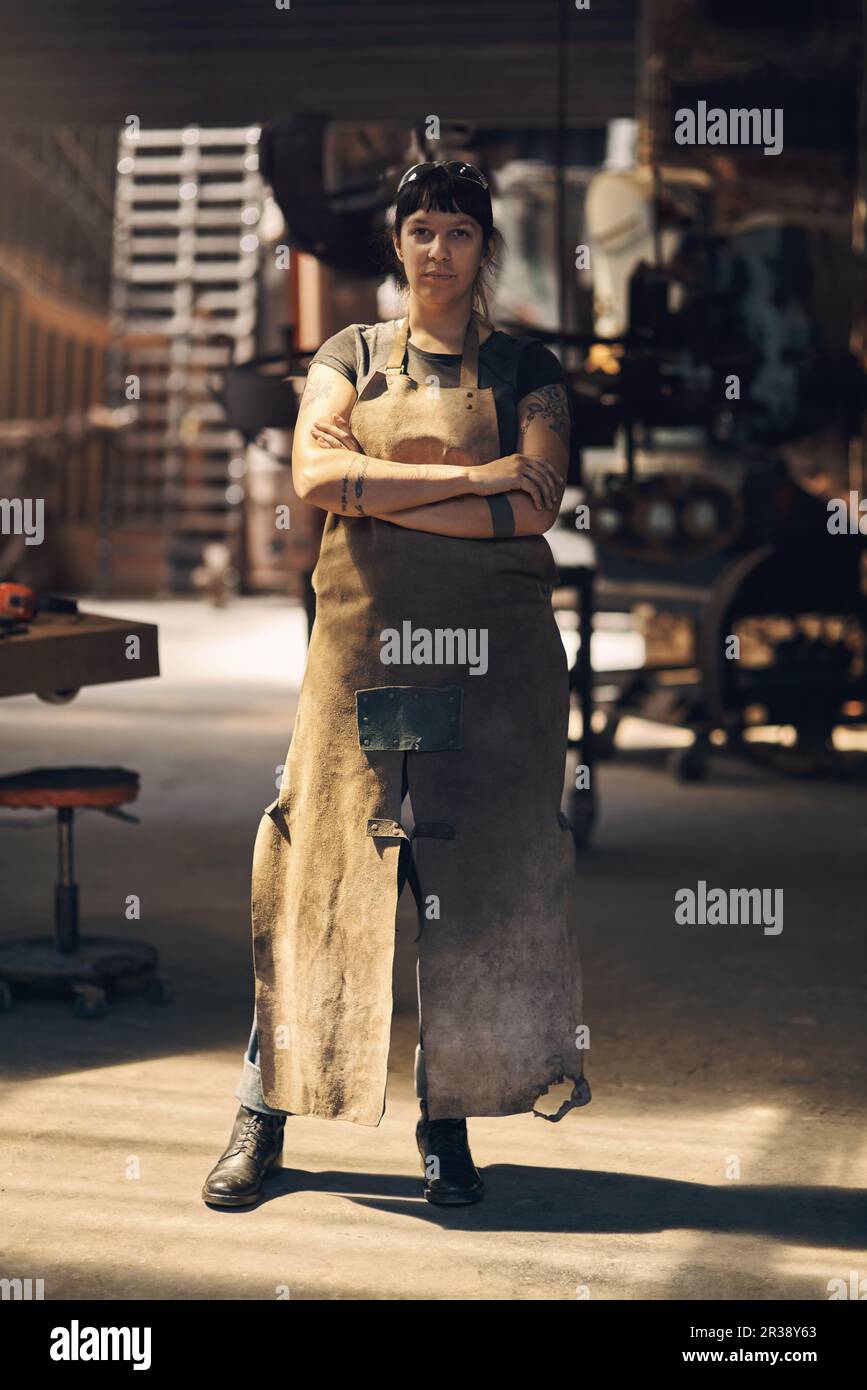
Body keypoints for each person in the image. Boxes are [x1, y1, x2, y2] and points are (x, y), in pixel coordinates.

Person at [202, 160, 591, 1210]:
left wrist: (382, 493)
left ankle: (444, 1127)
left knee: (467, 886)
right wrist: (471, 479)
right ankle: (261, 1114)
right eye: (421, 229)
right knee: (320, 873)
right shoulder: (351, 354)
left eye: (458, 231)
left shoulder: (525, 366)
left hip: (491, 663)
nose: (437, 250)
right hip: (366, 653)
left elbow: (535, 505)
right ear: (397, 243)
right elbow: (315, 477)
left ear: (483, 248)